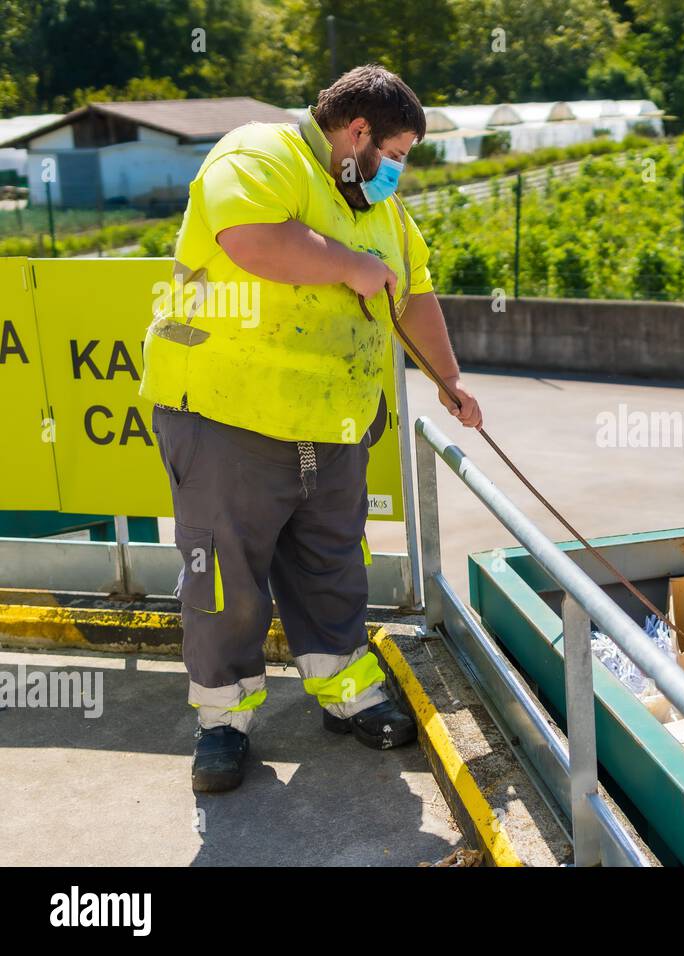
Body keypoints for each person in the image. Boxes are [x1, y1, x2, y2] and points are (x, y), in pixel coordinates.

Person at [139, 64, 482, 793]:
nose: (399, 169)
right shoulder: (260, 154)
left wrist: (447, 378)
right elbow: (251, 240)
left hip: (332, 420)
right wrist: (349, 266)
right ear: (356, 132)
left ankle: (343, 689)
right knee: (224, 573)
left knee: (332, 560)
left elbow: (411, 290)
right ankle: (222, 722)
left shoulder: (377, 207)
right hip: (226, 410)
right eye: (396, 152)